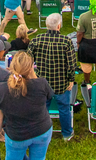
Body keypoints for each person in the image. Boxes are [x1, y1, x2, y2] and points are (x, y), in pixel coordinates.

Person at [0, 52, 54, 160]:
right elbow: (48, 97)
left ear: (10, 67)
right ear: (31, 68)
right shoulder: (42, 83)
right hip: (42, 131)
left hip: (16, 135)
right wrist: (32, 74)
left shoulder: (0, 89)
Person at [27, 13, 78, 141]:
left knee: (42, 109)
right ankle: (66, 133)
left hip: (42, 83)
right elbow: (72, 64)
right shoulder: (66, 41)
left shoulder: (36, 40)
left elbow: (27, 60)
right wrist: (71, 79)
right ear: (59, 26)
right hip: (61, 83)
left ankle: (39, 132)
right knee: (64, 109)